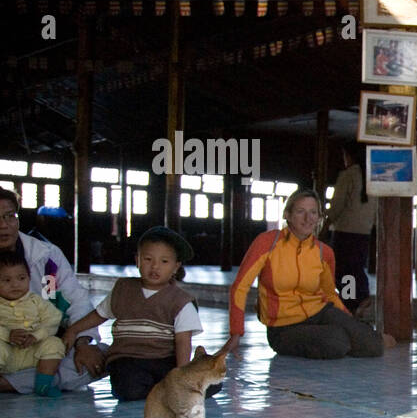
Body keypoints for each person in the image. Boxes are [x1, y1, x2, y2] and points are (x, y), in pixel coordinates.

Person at [229, 187, 395, 358]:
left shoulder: (324, 252)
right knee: (336, 342)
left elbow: (330, 293)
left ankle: (354, 337)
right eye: (301, 211)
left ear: (319, 217)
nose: (308, 218)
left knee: (374, 346)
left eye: (313, 212)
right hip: (283, 327)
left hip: (320, 312)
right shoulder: (268, 243)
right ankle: (342, 338)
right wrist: (236, 333)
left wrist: (351, 324)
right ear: (287, 214)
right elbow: (240, 287)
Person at [61, 226, 217, 401]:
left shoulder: (180, 301)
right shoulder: (123, 289)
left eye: (164, 261)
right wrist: (73, 330)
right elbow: (99, 315)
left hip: (164, 359)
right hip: (127, 358)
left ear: (176, 267)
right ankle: (165, 390)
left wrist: (180, 375)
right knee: (127, 391)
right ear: (137, 260)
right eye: (148, 259)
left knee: (207, 383)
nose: (155, 266)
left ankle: (186, 377)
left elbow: (183, 341)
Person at [0, 186, 105, 394]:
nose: (4, 226)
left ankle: (9, 383)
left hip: (40, 347)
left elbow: (77, 300)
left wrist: (83, 342)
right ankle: (37, 381)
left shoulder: (46, 256)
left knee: (104, 357)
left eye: (9, 216)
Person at [0, 249, 67, 397]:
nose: (15, 284)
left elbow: (53, 319)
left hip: (32, 353)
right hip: (6, 354)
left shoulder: (37, 301)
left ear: (29, 279)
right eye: (7, 280)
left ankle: (43, 385)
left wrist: (36, 336)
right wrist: (6, 335)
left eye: (21, 278)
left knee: (54, 343)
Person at [323, 142, 376, 317]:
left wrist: (326, 221)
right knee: (356, 267)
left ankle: (351, 302)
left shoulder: (348, 175)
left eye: (345, 156)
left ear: (350, 156)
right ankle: (359, 298)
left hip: (345, 230)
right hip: (364, 231)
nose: (344, 160)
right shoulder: (372, 176)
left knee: (342, 269)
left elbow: (337, 205)